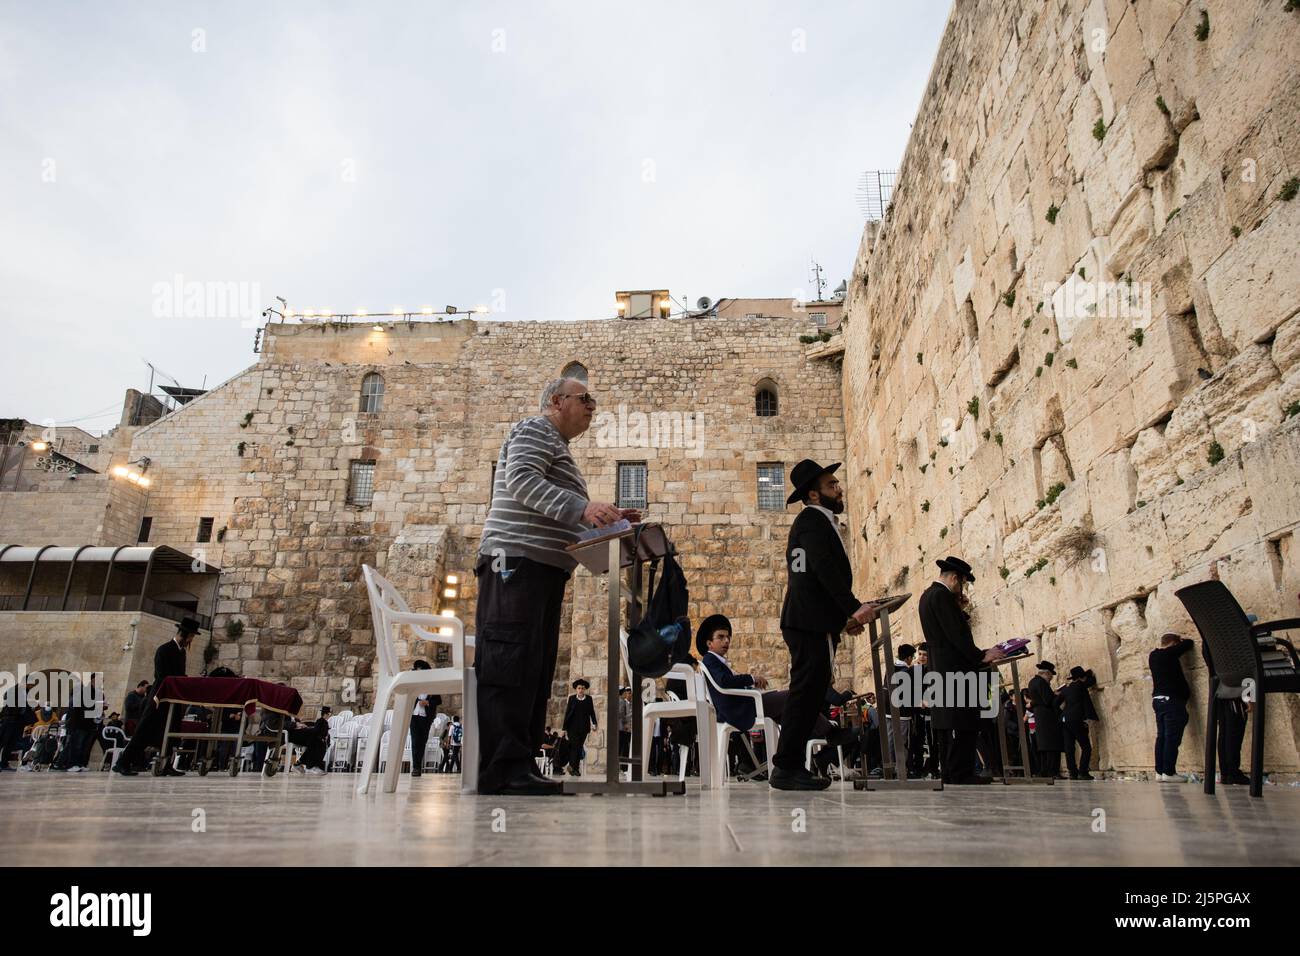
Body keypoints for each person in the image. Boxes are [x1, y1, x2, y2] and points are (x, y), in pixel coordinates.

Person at [474, 376, 639, 795]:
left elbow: (557, 503)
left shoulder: (557, 446)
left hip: (542, 569)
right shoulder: (534, 429)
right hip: (514, 561)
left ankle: (520, 763)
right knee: (509, 662)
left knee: (534, 666)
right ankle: (501, 768)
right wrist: (584, 507)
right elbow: (522, 482)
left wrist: (609, 517)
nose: (592, 407)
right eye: (586, 399)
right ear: (556, 401)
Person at [774, 459, 877, 791]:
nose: (839, 488)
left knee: (810, 694)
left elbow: (816, 579)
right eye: (832, 485)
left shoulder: (818, 521)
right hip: (807, 622)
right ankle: (786, 768)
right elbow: (821, 569)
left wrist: (842, 620)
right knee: (805, 694)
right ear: (815, 495)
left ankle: (790, 767)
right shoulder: (811, 521)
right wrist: (853, 607)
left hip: (814, 621)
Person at [697, 614, 853, 779]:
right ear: (709, 643)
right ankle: (829, 733)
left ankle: (804, 759)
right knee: (795, 697)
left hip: (745, 703)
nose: (726, 641)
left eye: (727, 637)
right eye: (720, 637)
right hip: (742, 708)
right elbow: (723, 682)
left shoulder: (717, 661)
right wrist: (752, 678)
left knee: (791, 715)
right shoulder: (710, 660)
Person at [917, 555, 1005, 784]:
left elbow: (947, 627)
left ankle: (950, 771)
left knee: (948, 721)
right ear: (955, 578)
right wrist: (981, 655)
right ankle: (961, 773)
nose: (962, 587)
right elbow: (956, 634)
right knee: (963, 720)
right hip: (955, 667)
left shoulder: (928, 596)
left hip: (941, 665)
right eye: (963, 582)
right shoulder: (942, 596)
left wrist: (959, 609)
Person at [113, 617, 200, 776]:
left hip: (172, 698)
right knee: (144, 730)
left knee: (170, 730)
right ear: (184, 634)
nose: (191, 640)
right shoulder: (165, 649)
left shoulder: (181, 653)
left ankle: (166, 763)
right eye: (191, 637)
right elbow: (161, 675)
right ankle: (122, 762)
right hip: (159, 697)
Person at [1201, 639, 1250, 785]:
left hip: (1220, 691)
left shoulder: (1210, 641)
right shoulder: (1236, 643)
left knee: (1224, 733)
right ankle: (1233, 772)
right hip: (1236, 692)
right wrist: (1248, 696)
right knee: (1233, 734)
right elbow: (1245, 671)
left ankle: (1226, 773)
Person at [1149, 632, 1194, 781]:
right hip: (1171, 701)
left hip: (1158, 700)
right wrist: (1181, 640)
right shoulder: (1168, 654)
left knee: (1162, 736)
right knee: (1171, 737)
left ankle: (1159, 771)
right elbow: (1188, 643)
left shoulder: (1153, 656)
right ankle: (1168, 772)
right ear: (1174, 644)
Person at [1058, 666, 1099, 780]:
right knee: (1086, 747)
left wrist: (1065, 713)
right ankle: (1083, 771)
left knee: (1069, 747)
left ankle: (1072, 772)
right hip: (1076, 719)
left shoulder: (1066, 689)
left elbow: (1055, 703)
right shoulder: (1081, 685)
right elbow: (1090, 682)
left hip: (1064, 719)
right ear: (1082, 677)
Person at [1027, 661, 1064, 778]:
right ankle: (1053, 772)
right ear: (1047, 674)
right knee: (1052, 745)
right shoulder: (1042, 683)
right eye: (1051, 676)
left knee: (1043, 746)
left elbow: (1039, 699)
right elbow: (1048, 701)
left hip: (1039, 716)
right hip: (1047, 717)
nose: (1051, 679)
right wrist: (1058, 695)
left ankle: (1044, 771)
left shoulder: (1032, 682)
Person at [407, 661, 441, 778]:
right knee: (415, 741)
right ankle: (416, 767)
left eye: (421, 668)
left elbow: (438, 700)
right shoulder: (413, 682)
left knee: (422, 741)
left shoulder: (432, 684)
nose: (418, 670)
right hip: (414, 716)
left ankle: (417, 766)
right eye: (417, 668)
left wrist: (427, 702)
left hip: (426, 717)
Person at [560, 680, 597, 776]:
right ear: (576, 689)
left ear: (585, 690)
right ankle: (572, 767)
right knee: (574, 747)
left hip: (584, 728)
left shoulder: (589, 699)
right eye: (579, 688)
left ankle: (575, 769)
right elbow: (567, 713)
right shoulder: (572, 699)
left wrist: (594, 723)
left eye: (582, 688)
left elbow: (591, 712)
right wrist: (564, 729)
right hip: (572, 728)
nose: (580, 690)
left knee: (579, 747)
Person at [617, 686, 632, 773]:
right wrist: (626, 722)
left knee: (619, 748)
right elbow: (622, 714)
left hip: (617, 728)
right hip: (622, 728)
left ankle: (618, 767)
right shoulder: (622, 701)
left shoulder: (615, 701)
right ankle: (623, 768)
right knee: (623, 748)